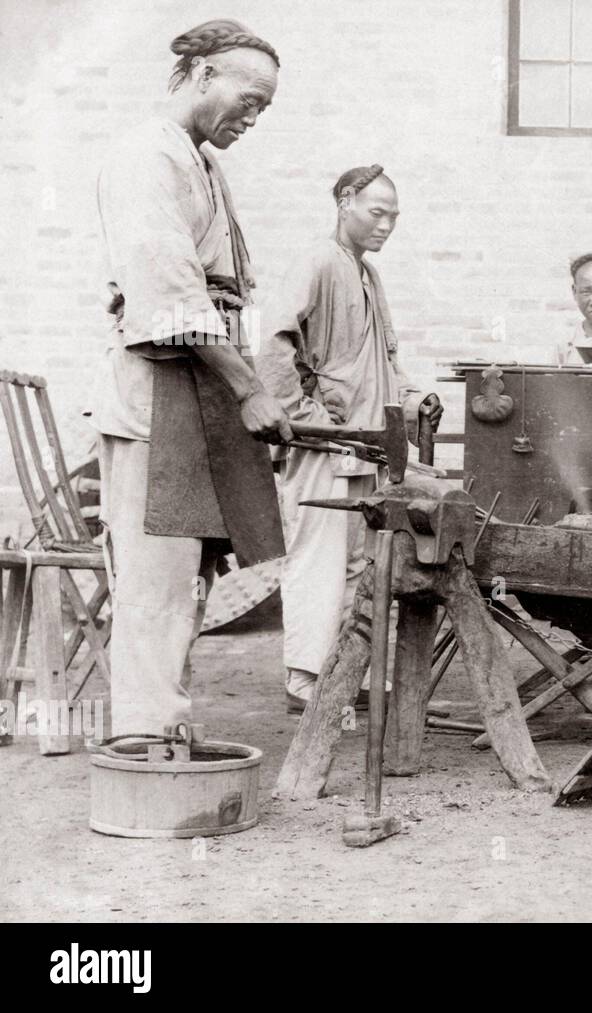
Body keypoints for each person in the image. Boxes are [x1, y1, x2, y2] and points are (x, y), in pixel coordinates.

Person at [93, 18, 292, 737]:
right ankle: (145, 745)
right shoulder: (147, 155)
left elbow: (225, 291)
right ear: (204, 74)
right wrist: (247, 386)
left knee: (189, 581)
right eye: (249, 96)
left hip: (196, 395)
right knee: (156, 586)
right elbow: (171, 294)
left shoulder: (204, 162)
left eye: (266, 107)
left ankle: (164, 733)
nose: (254, 115)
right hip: (160, 396)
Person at [256, 165, 434, 712]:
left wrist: (413, 399)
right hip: (324, 445)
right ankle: (305, 679)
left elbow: (386, 362)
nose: (386, 225)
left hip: (366, 445)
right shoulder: (316, 261)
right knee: (318, 559)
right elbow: (272, 341)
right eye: (376, 213)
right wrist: (302, 415)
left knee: (358, 565)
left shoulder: (367, 275)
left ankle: (343, 673)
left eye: (394, 217)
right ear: (344, 201)